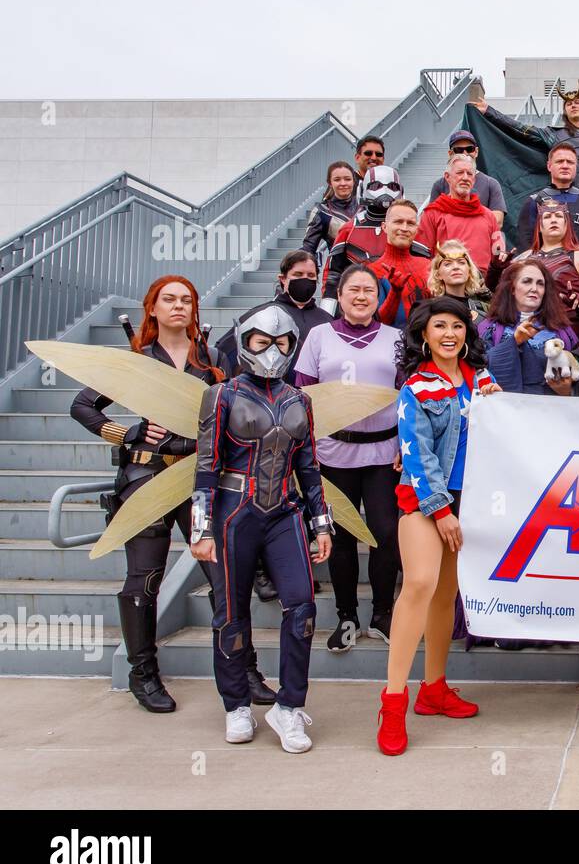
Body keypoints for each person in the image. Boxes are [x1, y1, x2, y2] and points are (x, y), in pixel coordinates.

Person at [71, 275, 274, 712]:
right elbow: (82, 405)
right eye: (169, 299)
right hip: (146, 478)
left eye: (187, 299)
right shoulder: (136, 360)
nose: (179, 306)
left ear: (195, 309)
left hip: (200, 480)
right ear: (153, 308)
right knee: (143, 582)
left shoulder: (215, 359)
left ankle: (245, 669)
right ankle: (142, 675)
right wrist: (126, 433)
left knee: (227, 580)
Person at [191, 305, 333, 753]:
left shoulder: (299, 400)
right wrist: (201, 528)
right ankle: (236, 704)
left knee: (303, 608)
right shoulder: (222, 395)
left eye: (282, 343)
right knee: (230, 613)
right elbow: (206, 467)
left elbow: (309, 467)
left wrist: (322, 523)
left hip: (285, 511)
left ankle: (289, 706)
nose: (272, 351)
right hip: (233, 511)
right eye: (262, 342)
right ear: (245, 342)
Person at [376, 297, 503, 756]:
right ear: (423, 336)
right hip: (426, 501)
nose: (449, 334)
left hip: (471, 501)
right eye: (439, 327)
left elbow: (508, 435)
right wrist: (441, 510)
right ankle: (393, 702)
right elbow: (416, 453)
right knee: (420, 584)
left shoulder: (483, 381)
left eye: (457, 326)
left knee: (447, 594)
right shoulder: (417, 386)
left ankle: (434, 689)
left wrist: (499, 405)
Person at [294, 264, 403, 653]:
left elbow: (408, 397)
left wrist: (406, 448)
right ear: (339, 296)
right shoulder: (319, 336)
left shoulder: (395, 338)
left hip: (383, 453)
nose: (361, 296)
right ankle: (347, 615)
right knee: (338, 537)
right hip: (332, 453)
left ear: (379, 297)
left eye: (369, 291)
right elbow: (302, 395)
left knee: (385, 534)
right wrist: (305, 450)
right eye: (353, 289)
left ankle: (382, 613)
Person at [472, 84, 579, 199]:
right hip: (556, 201)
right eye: (569, 104)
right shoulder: (553, 134)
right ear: (565, 111)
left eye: (577, 102)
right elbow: (522, 129)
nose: (573, 105)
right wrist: (490, 112)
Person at [215, 250, 332, 380]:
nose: (305, 279)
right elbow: (224, 353)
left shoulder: (328, 321)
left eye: (310, 275)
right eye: (298, 274)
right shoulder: (261, 315)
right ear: (283, 279)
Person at [477, 260, 578, 397]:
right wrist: (514, 342)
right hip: (506, 411)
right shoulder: (489, 328)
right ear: (512, 289)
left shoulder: (561, 330)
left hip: (550, 411)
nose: (534, 289)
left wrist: (567, 390)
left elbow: (577, 380)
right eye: (527, 281)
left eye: (540, 284)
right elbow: (482, 367)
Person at [512, 200, 579, 340]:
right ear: (539, 226)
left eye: (559, 216)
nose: (553, 220)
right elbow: (503, 296)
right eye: (547, 216)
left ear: (567, 224)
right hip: (523, 333)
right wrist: (495, 271)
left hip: (565, 337)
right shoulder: (522, 259)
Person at [324, 165, 411, 303]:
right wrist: (328, 308)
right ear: (362, 189)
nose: (385, 191)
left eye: (392, 186)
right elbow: (333, 274)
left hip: (401, 301)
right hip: (358, 301)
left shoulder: (409, 229)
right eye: (376, 185)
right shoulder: (349, 229)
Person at [516, 141, 579, 257]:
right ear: (549, 166)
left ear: (576, 166)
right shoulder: (534, 201)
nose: (565, 165)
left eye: (570, 162)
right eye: (559, 161)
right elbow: (524, 244)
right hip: (545, 270)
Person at [416, 155, 505, 283]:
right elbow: (422, 261)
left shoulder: (488, 216)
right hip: (446, 292)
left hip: (483, 292)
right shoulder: (432, 214)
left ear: (474, 179)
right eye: (459, 173)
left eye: (469, 174)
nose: (465, 178)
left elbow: (498, 258)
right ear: (447, 177)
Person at [371, 200, 432, 329]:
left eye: (410, 223)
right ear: (384, 227)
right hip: (391, 345)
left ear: (417, 229)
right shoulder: (372, 271)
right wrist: (395, 292)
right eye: (398, 222)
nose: (404, 228)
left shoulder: (429, 267)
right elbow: (377, 323)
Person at [428, 130, 506, 228]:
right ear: (450, 153)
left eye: (469, 149)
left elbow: (497, 221)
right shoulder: (439, 185)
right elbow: (431, 220)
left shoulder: (491, 184)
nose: (465, 153)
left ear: (476, 151)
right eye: (458, 150)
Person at [301, 160, 360, 264]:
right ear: (330, 182)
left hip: (370, 273)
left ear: (354, 181)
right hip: (340, 274)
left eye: (347, 179)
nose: (343, 183)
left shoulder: (366, 206)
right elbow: (308, 248)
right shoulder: (322, 211)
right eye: (337, 180)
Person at [427, 239, 490, 322]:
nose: (456, 267)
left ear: (469, 271)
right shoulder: (429, 310)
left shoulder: (484, 309)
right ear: (438, 274)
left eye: (461, 262)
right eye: (448, 264)